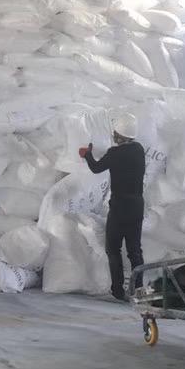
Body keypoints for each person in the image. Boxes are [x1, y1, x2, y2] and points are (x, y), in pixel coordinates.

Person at [80, 113, 145, 302]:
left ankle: (117, 290)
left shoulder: (115, 154)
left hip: (119, 207)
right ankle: (139, 290)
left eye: (115, 133)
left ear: (119, 135)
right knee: (135, 250)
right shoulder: (139, 150)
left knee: (113, 249)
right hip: (137, 206)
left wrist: (87, 154)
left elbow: (96, 168)